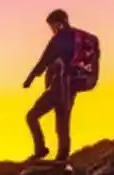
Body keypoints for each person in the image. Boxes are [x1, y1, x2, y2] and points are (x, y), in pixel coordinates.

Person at [22, 9, 98, 163]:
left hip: (59, 87)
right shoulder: (77, 37)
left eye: (52, 25)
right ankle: (62, 158)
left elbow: (43, 61)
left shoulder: (60, 39)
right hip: (71, 87)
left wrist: (29, 79)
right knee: (62, 125)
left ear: (58, 23)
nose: (51, 29)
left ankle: (41, 149)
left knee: (32, 116)